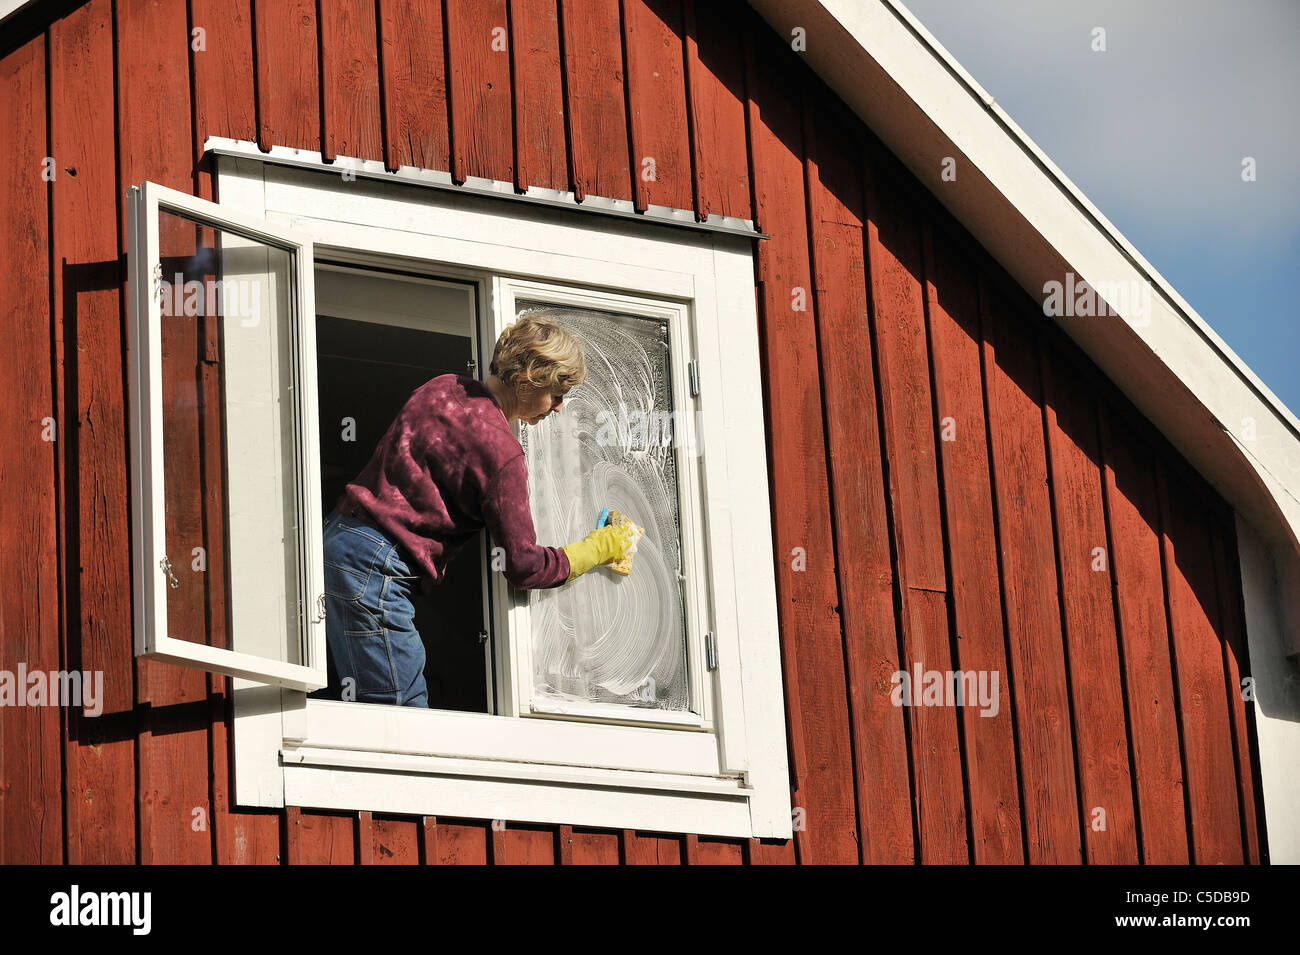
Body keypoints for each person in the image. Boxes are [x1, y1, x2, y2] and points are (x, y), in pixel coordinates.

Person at [316, 314, 638, 706]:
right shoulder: (502, 454)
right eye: (556, 394)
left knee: (363, 699)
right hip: (377, 567)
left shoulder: (442, 387)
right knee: (400, 713)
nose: (557, 408)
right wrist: (599, 548)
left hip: (339, 539)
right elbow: (524, 566)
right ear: (528, 379)